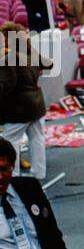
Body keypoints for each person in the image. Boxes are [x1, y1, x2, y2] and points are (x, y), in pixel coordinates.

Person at [0, 23, 49, 181]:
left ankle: (13, 179)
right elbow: (44, 67)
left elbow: (6, 85)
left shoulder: (9, 59)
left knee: (11, 143)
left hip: (18, 109)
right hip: (37, 105)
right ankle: (39, 174)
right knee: (37, 140)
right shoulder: (31, 53)